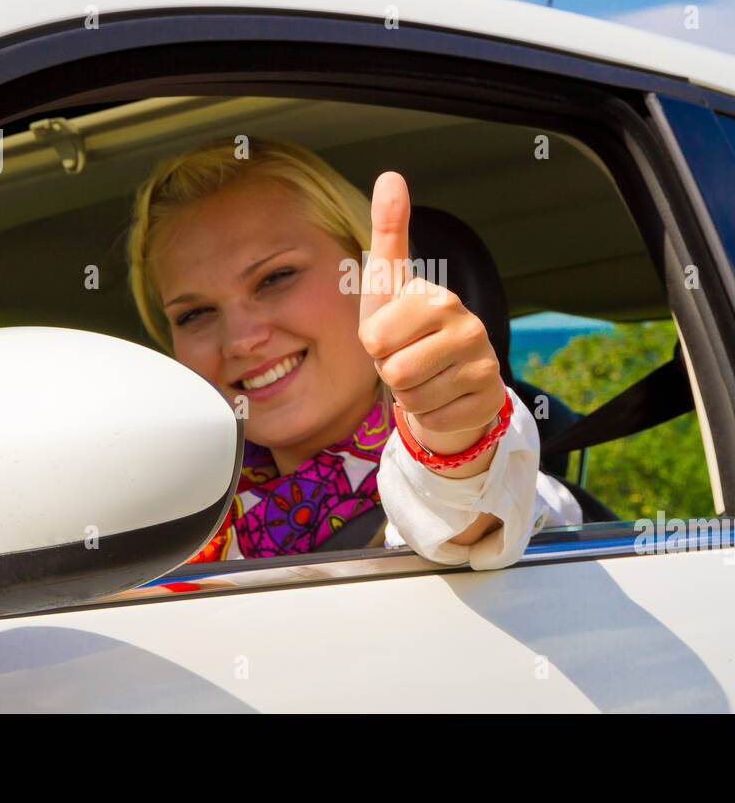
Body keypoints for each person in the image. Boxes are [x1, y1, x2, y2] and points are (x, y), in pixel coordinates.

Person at [127, 136, 582, 570]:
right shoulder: (174, 534)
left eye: (275, 277)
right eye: (195, 314)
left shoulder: (520, 494)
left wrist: (453, 443)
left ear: (367, 275)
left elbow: (472, 518)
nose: (240, 340)